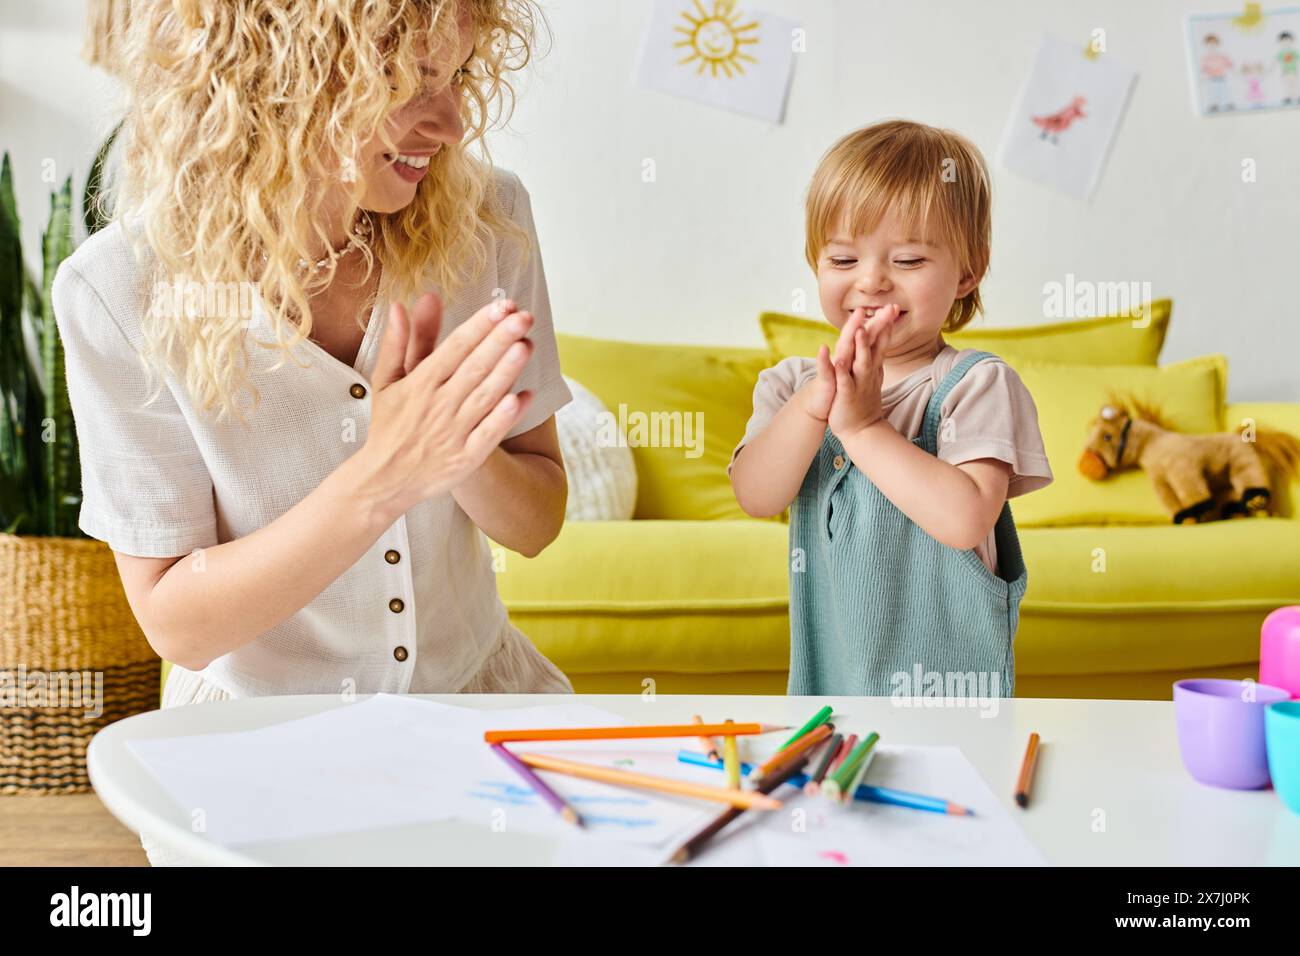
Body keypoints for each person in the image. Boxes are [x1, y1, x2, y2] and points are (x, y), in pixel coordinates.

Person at [51, 0, 571, 865]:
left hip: (480, 717)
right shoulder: (118, 290)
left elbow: (539, 520)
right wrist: (385, 477)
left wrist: (458, 450)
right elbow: (179, 623)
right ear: (279, 79)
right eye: (411, 82)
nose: (450, 121)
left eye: (459, 77)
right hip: (254, 753)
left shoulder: (490, 220)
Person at [729, 120, 1054, 698]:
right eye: (844, 260)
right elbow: (756, 495)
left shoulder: (973, 385)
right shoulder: (790, 387)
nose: (872, 282)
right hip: (830, 688)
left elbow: (965, 519)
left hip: (952, 697)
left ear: (967, 273)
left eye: (907, 261)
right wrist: (818, 407)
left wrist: (863, 426)